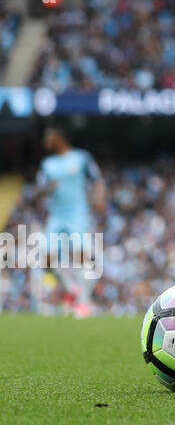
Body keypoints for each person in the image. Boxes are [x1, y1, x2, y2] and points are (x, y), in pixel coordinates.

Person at [31, 127, 103, 316]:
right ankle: (70, 288)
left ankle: (84, 302)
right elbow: (39, 190)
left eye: (48, 137)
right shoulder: (48, 163)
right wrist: (47, 188)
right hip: (56, 214)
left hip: (77, 212)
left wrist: (99, 198)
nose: (45, 142)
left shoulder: (81, 158)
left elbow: (97, 179)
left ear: (59, 137)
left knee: (80, 255)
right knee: (46, 260)